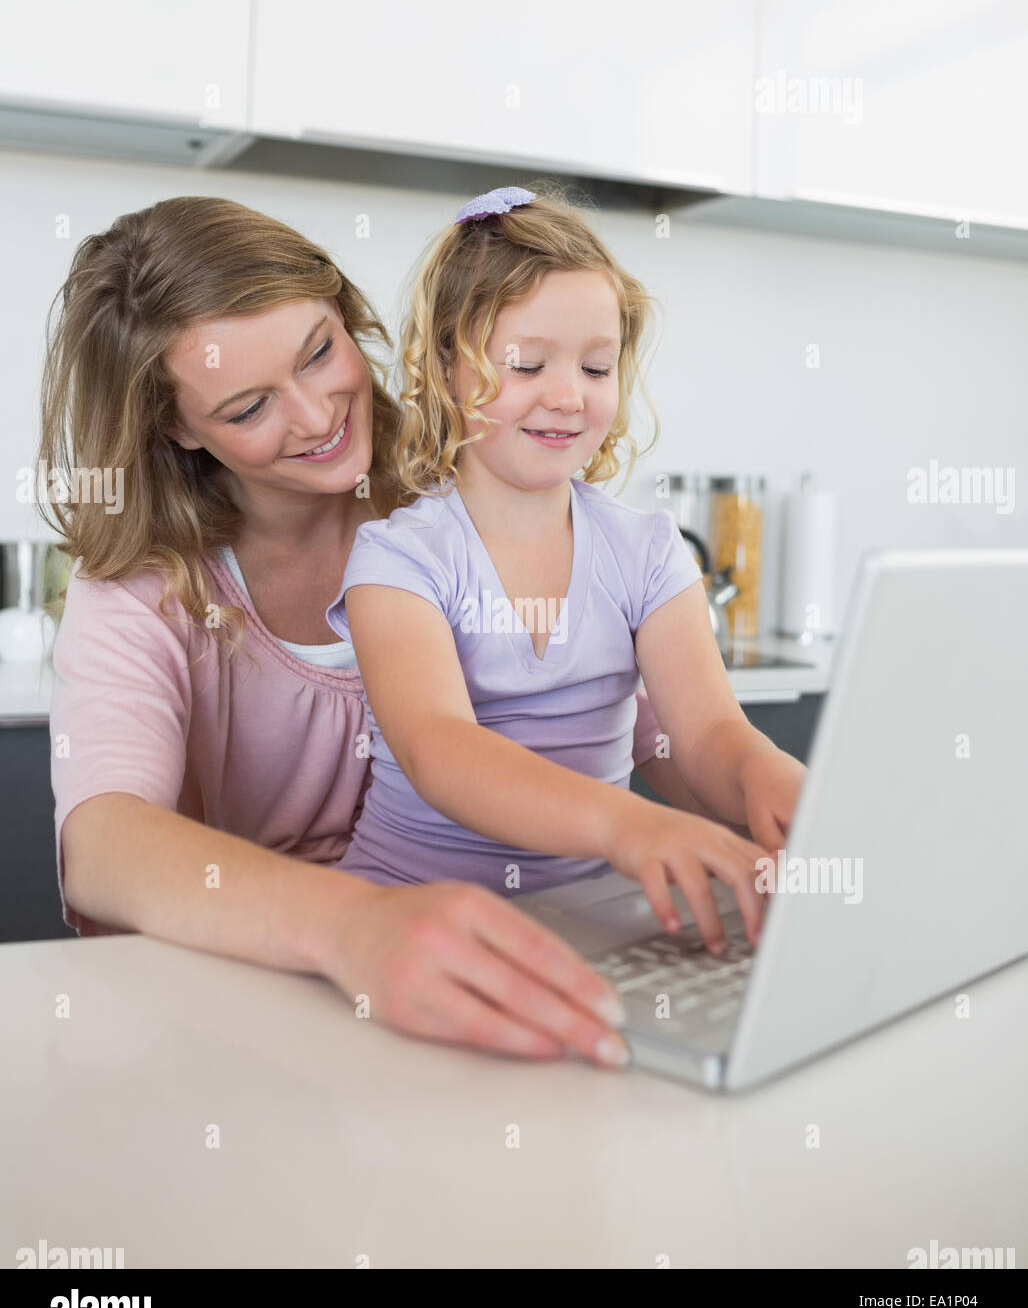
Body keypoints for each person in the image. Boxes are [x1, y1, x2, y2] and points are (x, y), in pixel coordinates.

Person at [39, 194, 732, 1071]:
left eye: (320, 353)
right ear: (176, 427)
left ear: (347, 313)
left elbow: (635, 727)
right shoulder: (142, 590)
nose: (318, 415)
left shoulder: (461, 498)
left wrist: (767, 822)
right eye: (250, 408)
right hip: (248, 994)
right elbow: (102, 845)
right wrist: (352, 924)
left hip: (466, 965)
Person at [329, 186, 806, 945]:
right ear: (448, 366)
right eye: (526, 365)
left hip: (589, 925)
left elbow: (707, 729)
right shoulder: (400, 558)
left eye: (595, 367)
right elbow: (439, 748)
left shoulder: (650, 551)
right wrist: (628, 825)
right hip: (403, 925)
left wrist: (762, 771)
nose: (567, 396)